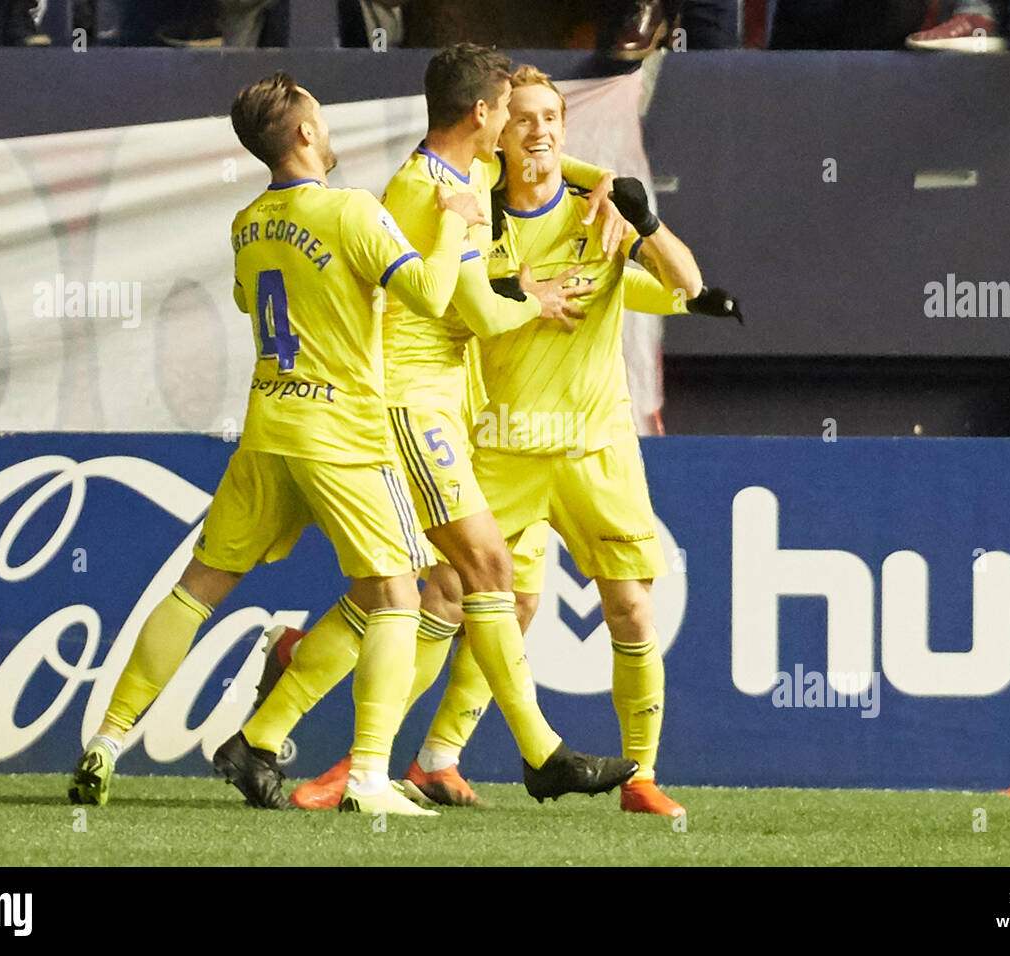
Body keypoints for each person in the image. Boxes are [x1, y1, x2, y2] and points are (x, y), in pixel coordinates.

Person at [68, 71, 485, 816]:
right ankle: (367, 777)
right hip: (344, 434)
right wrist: (454, 218)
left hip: (268, 427)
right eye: (318, 115)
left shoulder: (246, 223)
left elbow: (252, 300)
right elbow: (429, 293)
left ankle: (106, 741)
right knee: (397, 595)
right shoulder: (351, 209)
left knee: (198, 588)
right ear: (302, 133)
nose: (325, 125)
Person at [252, 43, 640, 810]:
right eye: (508, 111)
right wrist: (537, 299)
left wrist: (609, 187)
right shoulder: (423, 189)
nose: (519, 127)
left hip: (439, 402)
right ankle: (534, 752)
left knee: (404, 591)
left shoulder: (468, 175)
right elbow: (471, 311)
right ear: (481, 114)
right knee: (477, 574)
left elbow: (552, 168)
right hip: (405, 403)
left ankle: (263, 733)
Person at [446, 64, 735, 816]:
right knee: (454, 602)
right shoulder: (472, 213)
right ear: (497, 134)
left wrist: (647, 221)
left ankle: (639, 778)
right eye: (523, 119)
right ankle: (416, 760)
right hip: (502, 446)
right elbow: (446, 301)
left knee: (629, 610)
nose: (539, 130)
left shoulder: (598, 214)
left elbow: (687, 288)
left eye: (551, 117)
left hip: (592, 450)